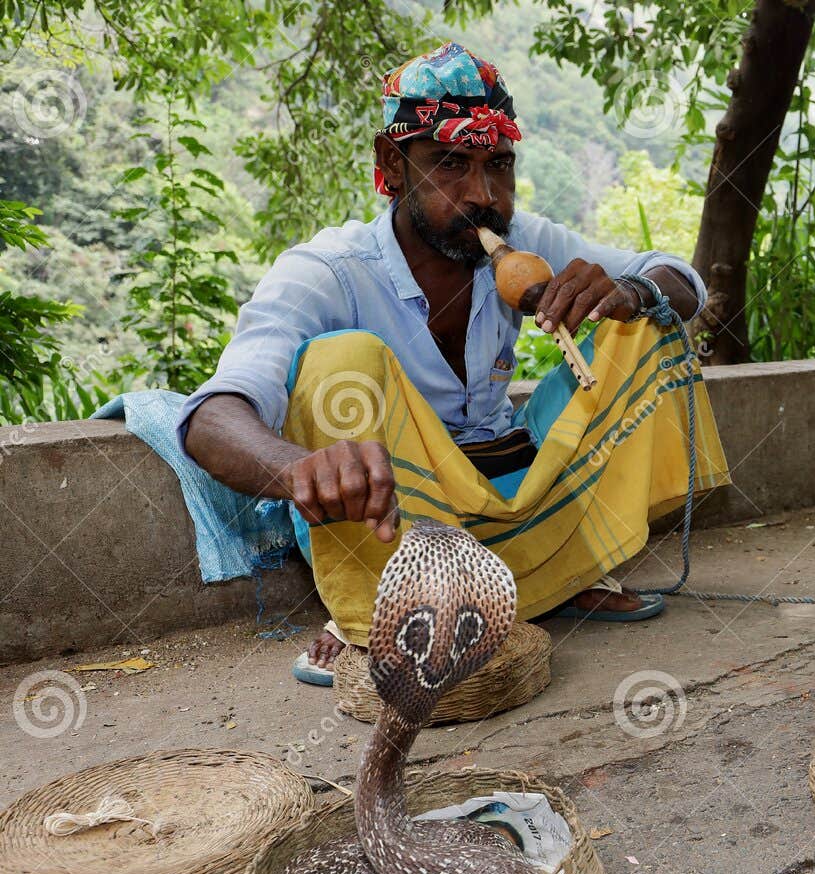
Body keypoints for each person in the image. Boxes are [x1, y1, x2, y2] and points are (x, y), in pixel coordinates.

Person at [178, 41, 726, 685]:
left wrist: (629, 292)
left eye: (499, 165)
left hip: (507, 474)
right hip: (405, 516)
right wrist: (302, 470)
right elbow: (213, 416)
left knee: (647, 321)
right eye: (451, 165)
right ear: (394, 163)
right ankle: (378, 611)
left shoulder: (527, 243)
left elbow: (683, 279)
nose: (483, 195)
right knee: (340, 360)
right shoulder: (326, 272)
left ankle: (557, 573)